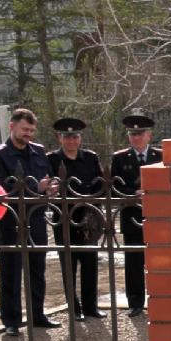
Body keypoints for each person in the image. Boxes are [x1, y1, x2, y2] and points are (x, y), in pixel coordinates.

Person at [0, 108, 60, 336]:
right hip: (11, 220)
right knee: (11, 271)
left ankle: (37, 314)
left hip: (36, 219)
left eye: (31, 130)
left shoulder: (39, 151)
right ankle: (11, 320)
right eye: (24, 129)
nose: (28, 134)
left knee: (37, 269)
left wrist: (51, 188)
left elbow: (47, 177)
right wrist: (33, 189)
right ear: (12, 127)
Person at [47, 118, 105, 322]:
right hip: (64, 218)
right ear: (60, 138)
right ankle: (74, 308)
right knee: (68, 264)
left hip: (88, 216)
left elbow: (101, 184)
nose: (71, 140)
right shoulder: (52, 159)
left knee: (90, 263)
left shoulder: (90, 157)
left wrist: (91, 200)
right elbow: (50, 189)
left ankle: (91, 306)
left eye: (75, 136)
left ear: (80, 138)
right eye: (67, 136)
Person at [111, 115, 163, 318]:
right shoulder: (120, 158)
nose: (137, 137)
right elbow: (114, 186)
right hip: (131, 216)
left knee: (159, 261)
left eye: (140, 133)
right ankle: (135, 302)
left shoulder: (160, 156)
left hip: (158, 217)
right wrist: (133, 193)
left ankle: (160, 300)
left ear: (149, 135)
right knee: (133, 262)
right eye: (133, 134)